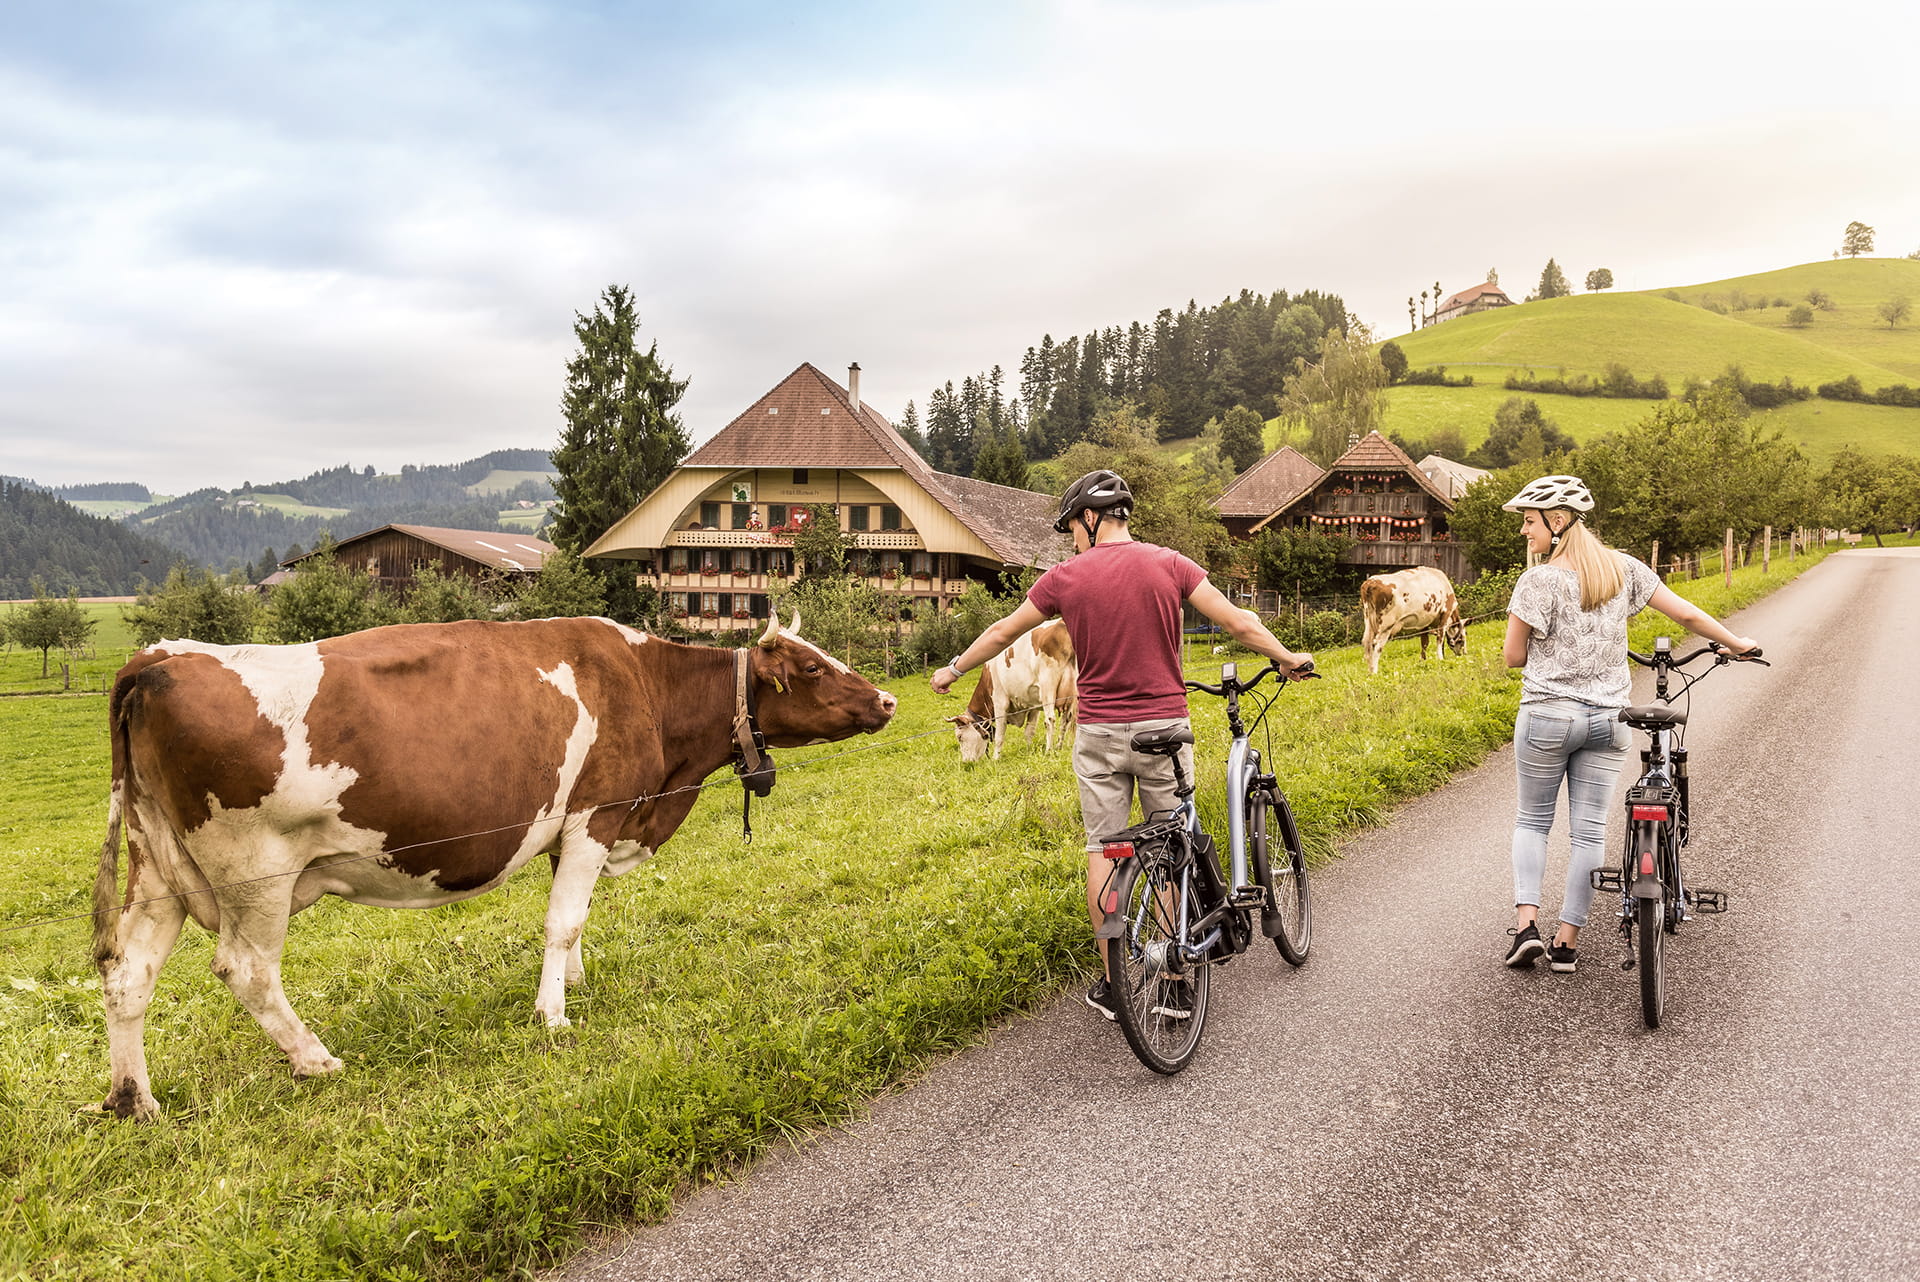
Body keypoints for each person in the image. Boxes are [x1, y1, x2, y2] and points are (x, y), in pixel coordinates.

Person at [931, 470, 1313, 1020]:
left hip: (1099, 735)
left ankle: (1114, 980)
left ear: (1089, 519)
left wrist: (952, 669)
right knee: (1171, 849)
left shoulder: (1064, 578)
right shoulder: (1171, 564)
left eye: (1072, 528)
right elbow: (1238, 622)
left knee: (1105, 850)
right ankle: (1176, 976)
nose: (1072, 540)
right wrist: (1284, 656)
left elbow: (1002, 633)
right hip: (1164, 730)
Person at [1498, 474, 1759, 974]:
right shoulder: (1623, 570)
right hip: (1609, 719)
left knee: (1533, 821)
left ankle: (1527, 926)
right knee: (1589, 833)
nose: (1524, 532)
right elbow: (1683, 614)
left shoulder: (1538, 580)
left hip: (1548, 714)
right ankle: (1567, 943)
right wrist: (1736, 642)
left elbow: (1513, 656)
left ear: (1558, 521)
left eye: (1529, 522)